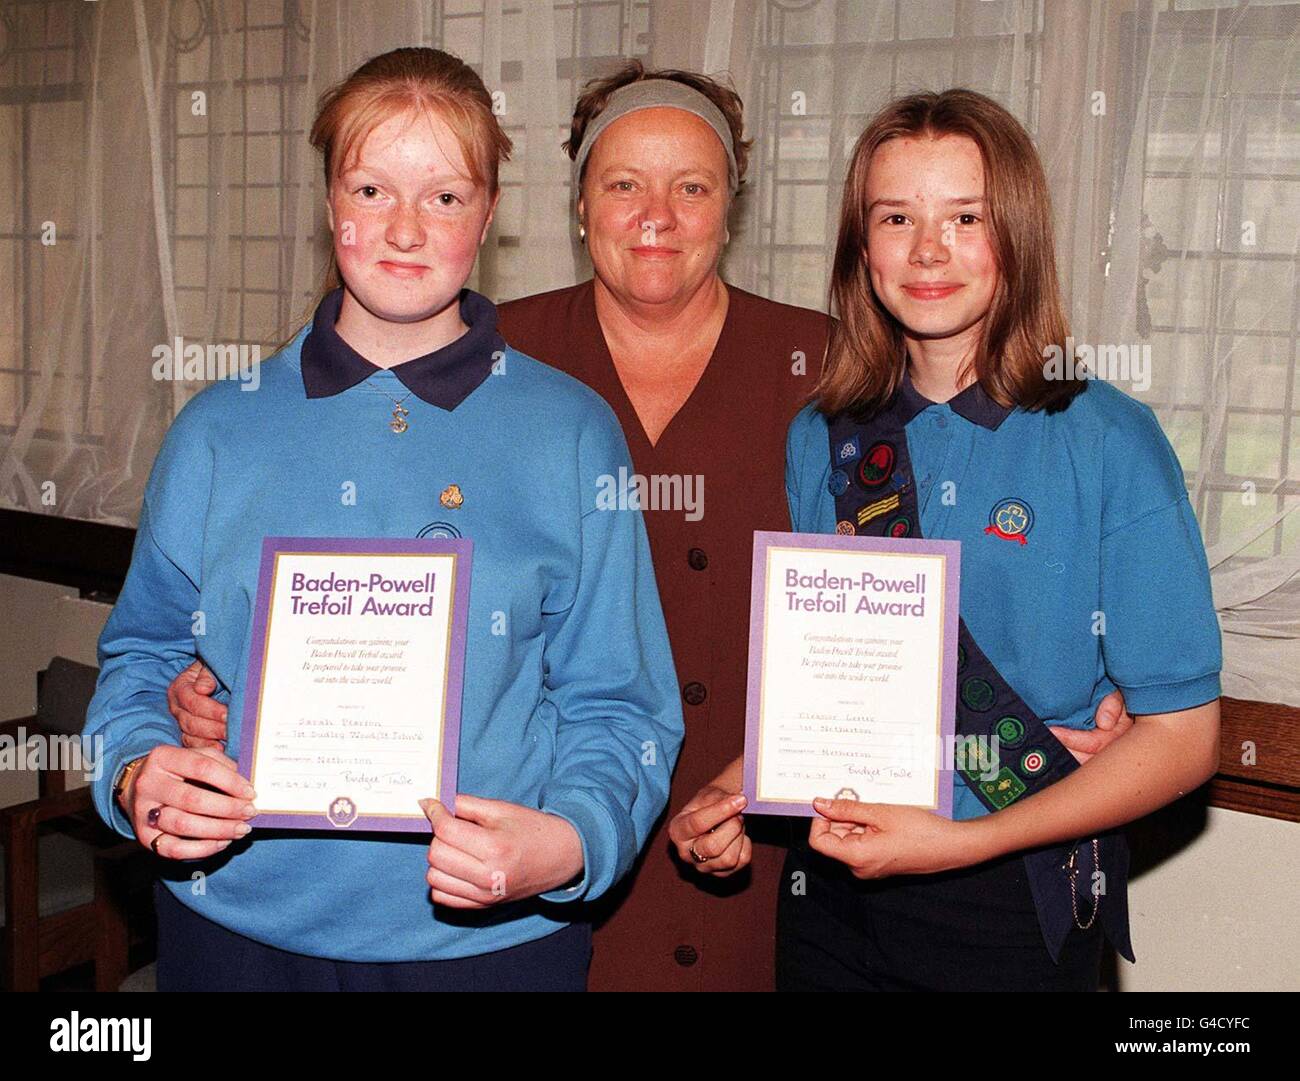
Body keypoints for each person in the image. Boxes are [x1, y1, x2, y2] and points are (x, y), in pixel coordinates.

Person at [163, 63, 1136, 992]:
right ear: (578, 206)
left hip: (774, 843)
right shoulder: (477, 356)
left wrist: (1070, 706)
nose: (656, 217)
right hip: (519, 857)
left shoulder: (837, 373)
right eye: (623, 184)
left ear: (732, 206)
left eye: (692, 187)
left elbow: (964, 567)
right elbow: (310, 544)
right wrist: (225, 682)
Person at [82, 47, 682, 992]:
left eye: (444, 196)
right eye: (371, 188)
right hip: (232, 931)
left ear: (488, 215)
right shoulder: (218, 428)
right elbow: (144, 657)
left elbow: (620, 699)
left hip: (487, 945)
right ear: (329, 202)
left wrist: (572, 839)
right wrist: (133, 775)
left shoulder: (570, 432)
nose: (405, 228)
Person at [773, 89, 1222, 991]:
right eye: (896, 217)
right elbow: (828, 678)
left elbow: (1182, 737)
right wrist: (733, 777)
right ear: (863, 249)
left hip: (1013, 893)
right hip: (829, 890)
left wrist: (961, 841)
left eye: (964, 217)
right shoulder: (820, 435)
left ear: (1014, 236)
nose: (927, 250)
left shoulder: (1108, 440)